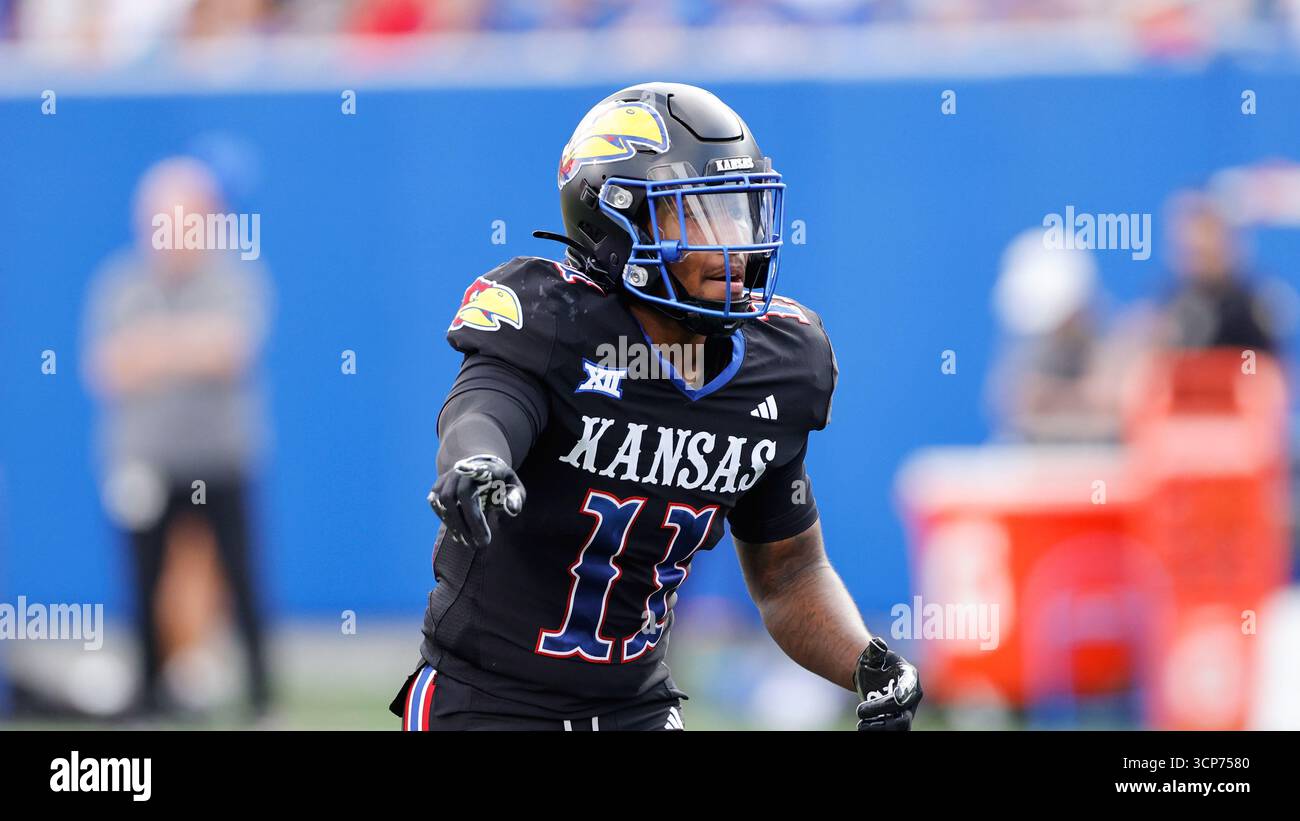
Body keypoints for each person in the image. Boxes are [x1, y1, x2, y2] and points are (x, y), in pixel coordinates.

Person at [391, 83, 920, 731]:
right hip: (487, 701)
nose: (736, 244)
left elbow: (787, 575)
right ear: (617, 221)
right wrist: (477, 461)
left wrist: (865, 661)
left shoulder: (780, 362)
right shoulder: (554, 321)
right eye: (700, 215)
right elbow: (485, 408)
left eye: (741, 213)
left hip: (633, 706)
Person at [82, 156, 273, 719]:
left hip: (219, 456)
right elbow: (108, 365)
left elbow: (229, 350)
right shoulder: (120, 284)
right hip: (146, 460)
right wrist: (185, 347)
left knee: (241, 576)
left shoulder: (234, 279)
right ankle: (150, 687)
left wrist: (155, 349)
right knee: (142, 579)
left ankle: (260, 692)